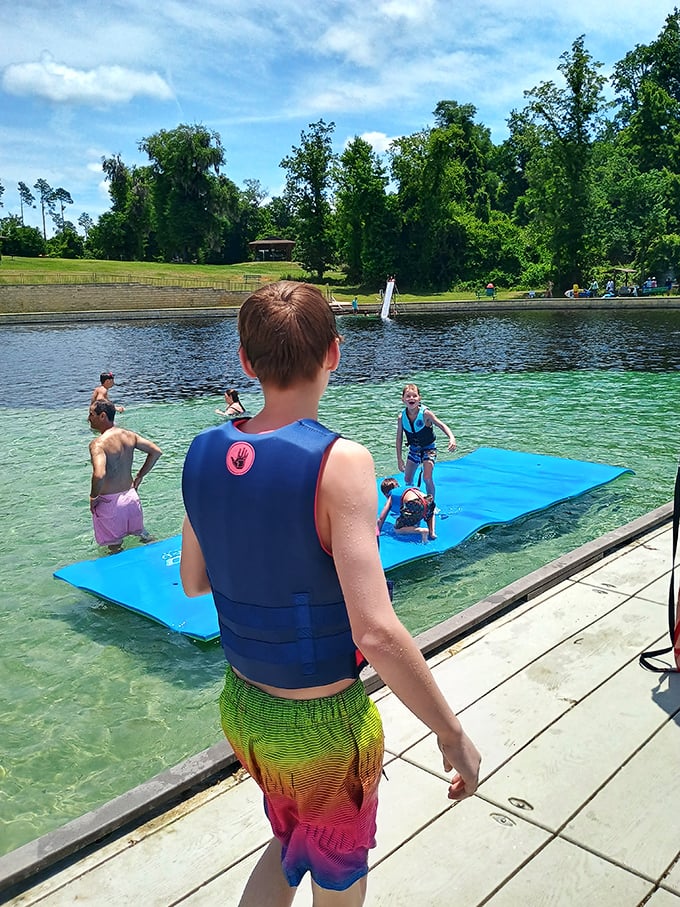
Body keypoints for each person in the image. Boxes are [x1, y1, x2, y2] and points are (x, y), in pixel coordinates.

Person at [180, 281, 480, 907]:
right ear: (334, 355)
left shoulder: (203, 453)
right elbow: (373, 632)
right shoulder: (342, 462)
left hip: (245, 709)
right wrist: (449, 731)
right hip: (323, 729)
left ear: (245, 360)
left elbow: (194, 581)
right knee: (338, 876)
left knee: (291, 841)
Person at [88, 400, 162, 553]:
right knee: (145, 538)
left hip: (110, 504)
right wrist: (140, 475)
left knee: (115, 551)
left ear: (103, 416)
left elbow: (99, 474)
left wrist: (93, 498)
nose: (89, 418)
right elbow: (156, 451)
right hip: (131, 498)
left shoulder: (98, 444)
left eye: (91, 414)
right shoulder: (129, 435)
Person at [396, 383, 456, 500]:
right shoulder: (401, 417)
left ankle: (430, 504)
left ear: (419, 398)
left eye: (414, 396)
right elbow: (399, 439)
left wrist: (451, 438)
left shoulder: (425, 414)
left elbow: (441, 425)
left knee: (427, 478)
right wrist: (399, 459)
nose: (411, 398)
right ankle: (411, 501)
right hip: (414, 450)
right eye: (408, 396)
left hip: (429, 449)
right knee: (407, 479)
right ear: (403, 399)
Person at [378, 477, 435, 541]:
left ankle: (421, 530)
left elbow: (381, 519)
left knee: (397, 529)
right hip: (428, 499)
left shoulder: (391, 496)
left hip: (414, 503)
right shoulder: (407, 489)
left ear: (385, 494)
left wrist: (378, 532)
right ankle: (432, 532)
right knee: (430, 513)